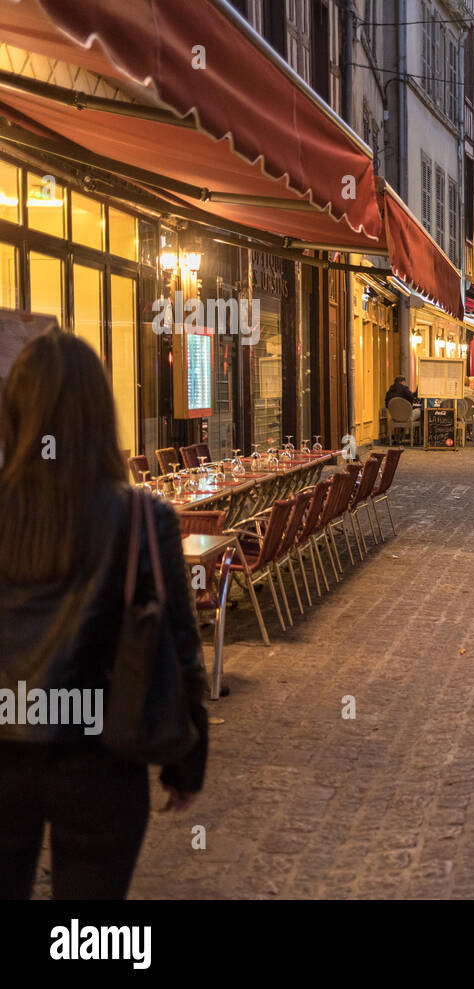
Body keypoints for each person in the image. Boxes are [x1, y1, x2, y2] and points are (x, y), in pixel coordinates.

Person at [0, 331, 208, 899]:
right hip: (99, 757)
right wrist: (186, 760)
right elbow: (178, 643)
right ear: (100, 413)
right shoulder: (142, 519)